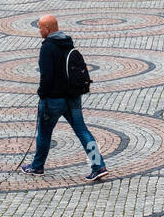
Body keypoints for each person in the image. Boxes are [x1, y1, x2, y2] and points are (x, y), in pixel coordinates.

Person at [22, 15, 107, 181]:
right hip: (73, 97)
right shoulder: (67, 43)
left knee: (44, 133)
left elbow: (46, 76)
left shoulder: (48, 47)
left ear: (47, 29)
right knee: (83, 131)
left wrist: (42, 94)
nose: (39, 30)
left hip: (54, 100)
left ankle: (37, 166)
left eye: (40, 27)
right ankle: (98, 166)